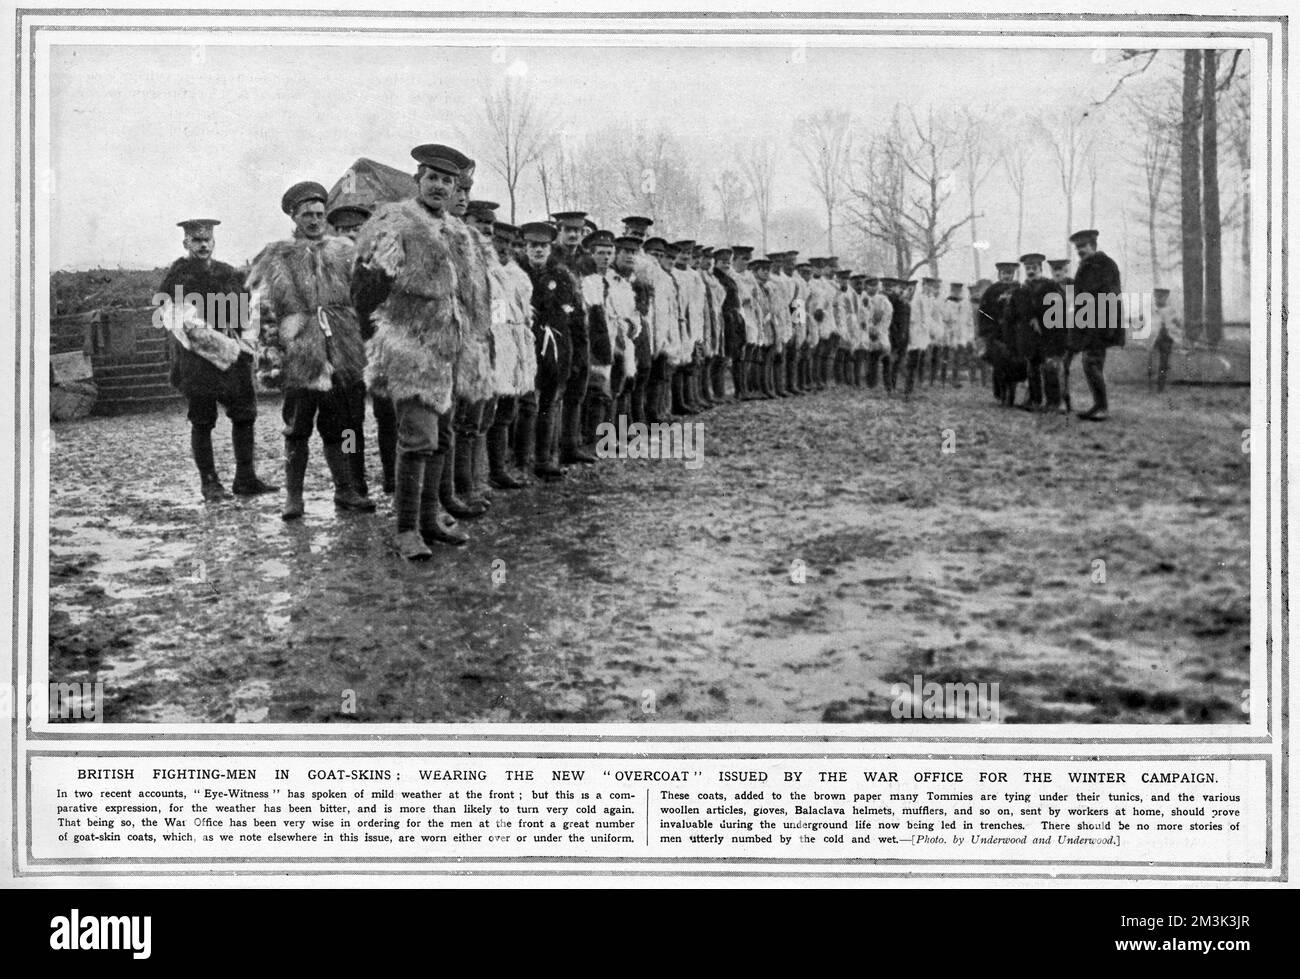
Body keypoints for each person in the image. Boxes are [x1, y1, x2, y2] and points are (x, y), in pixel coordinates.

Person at [351, 145, 472, 559]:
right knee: (417, 439)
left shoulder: (457, 231)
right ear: (418, 179)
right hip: (409, 349)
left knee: (441, 438)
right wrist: (380, 279)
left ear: (456, 187)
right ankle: (405, 530)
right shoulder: (396, 222)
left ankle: (429, 518)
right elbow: (363, 294)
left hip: (447, 350)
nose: (439, 186)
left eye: (448, 181)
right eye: (432, 178)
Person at [248, 181, 373, 521]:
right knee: (296, 430)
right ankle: (293, 496)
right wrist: (272, 358)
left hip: (340, 354)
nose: (316, 220)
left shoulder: (344, 253)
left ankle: (346, 487)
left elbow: (362, 301)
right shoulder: (278, 257)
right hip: (299, 357)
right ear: (294, 216)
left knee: (342, 428)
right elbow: (264, 313)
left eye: (320, 214)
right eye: (308, 214)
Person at [158, 218, 277, 502]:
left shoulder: (228, 274)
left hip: (235, 352)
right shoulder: (178, 277)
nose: (203, 244)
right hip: (197, 357)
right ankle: (209, 483)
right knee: (202, 419)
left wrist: (246, 343)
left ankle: (245, 478)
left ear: (214, 241)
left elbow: (248, 310)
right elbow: (184, 323)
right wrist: (226, 347)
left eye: (207, 240)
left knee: (245, 414)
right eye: (196, 240)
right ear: (185, 242)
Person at [520, 220, 577, 480]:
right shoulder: (517, 273)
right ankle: (521, 461)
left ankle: (544, 459)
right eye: (533, 245)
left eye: (543, 246)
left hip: (554, 347)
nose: (538, 251)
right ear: (525, 247)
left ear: (550, 248)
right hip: (525, 346)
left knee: (549, 402)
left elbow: (569, 311)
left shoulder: (562, 276)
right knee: (526, 402)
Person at [551, 211, 596, 463]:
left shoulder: (586, 261)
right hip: (559, 329)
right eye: (567, 230)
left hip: (581, 329)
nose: (572, 235)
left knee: (578, 388)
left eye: (577, 231)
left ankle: (570, 446)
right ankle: (552, 450)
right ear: (559, 230)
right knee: (557, 389)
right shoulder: (552, 258)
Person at [1068, 228, 1125, 421]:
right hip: (1089, 324)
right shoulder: (1086, 266)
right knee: (1091, 364)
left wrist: (1106, 325)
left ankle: (1102, 407)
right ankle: (1099, 405)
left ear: (1093, 245)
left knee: (1091, 363)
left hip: (1101, 323)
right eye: (1077, 247)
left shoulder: (1105, 265)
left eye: (1083, 246)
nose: (1080, 250)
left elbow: (1111, 295)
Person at [978, 262, 1020, 406]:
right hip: (996, 333)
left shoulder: (1019, 289)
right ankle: (1000, 393)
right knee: (999, 364)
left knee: (1013, 363)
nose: (1007, 276)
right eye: (1004, 273)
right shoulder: (992, 291)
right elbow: (983, 311)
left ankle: (1011, 395)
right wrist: (990, 326)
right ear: (999, 274)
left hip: (1014, 334)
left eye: (1010, 273)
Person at [1148, 286, 1181, 393]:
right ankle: (1150, 384)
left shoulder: (1171, 310)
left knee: (1163, 363)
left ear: (1166, 297)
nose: (1160, 298)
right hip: (1153, 338)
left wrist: (1173, 329)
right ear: (1155, 296)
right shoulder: (1150, 309)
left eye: (1163, 296)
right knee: (1150, 361)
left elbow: (1178, 324)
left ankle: (1160, 387)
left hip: (1166, 339)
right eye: (1158, 296)